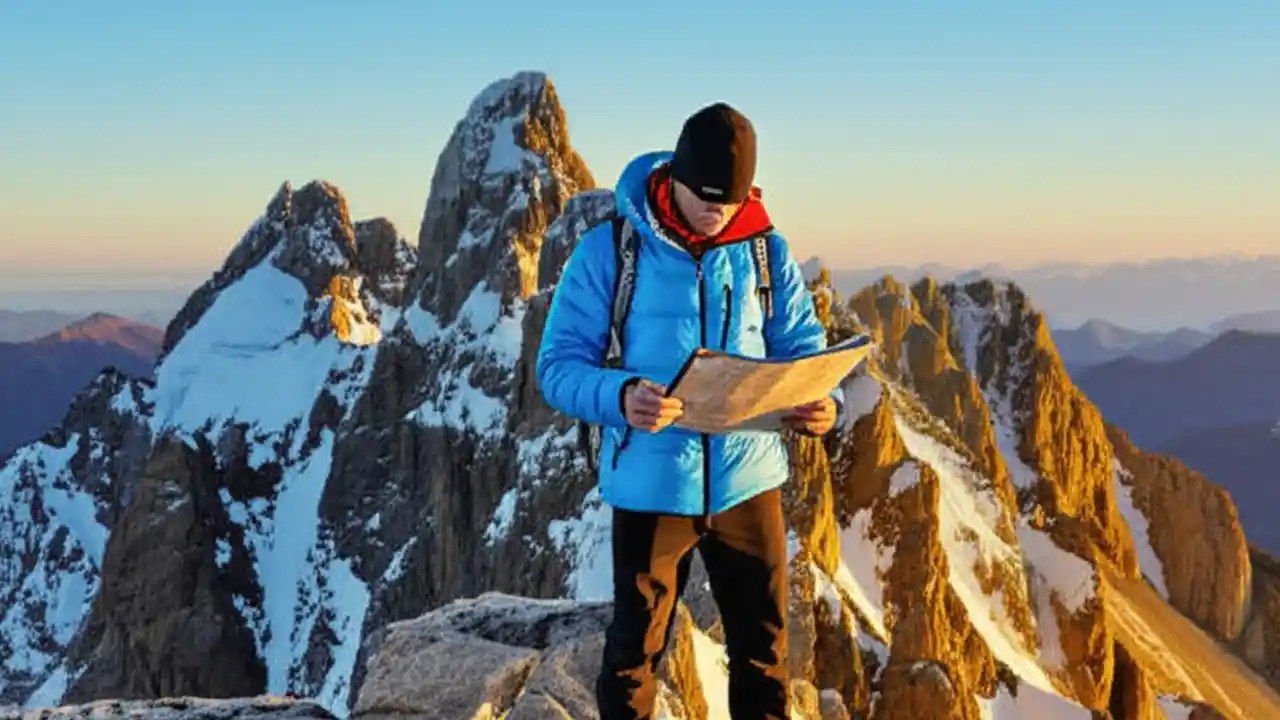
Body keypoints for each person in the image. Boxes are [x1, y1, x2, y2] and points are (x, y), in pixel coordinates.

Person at [535, 102, 844, 719]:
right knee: (633, 657)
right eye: (704, 197)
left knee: (763, 655)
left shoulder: (764, 251)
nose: (716, 212)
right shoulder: (612, 251)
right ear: (672, 175)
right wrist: (620, 397)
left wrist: (822, 404)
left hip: (748, 478)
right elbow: (557, 368)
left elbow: (801, 347)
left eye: (729, 201)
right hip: (652, 480)